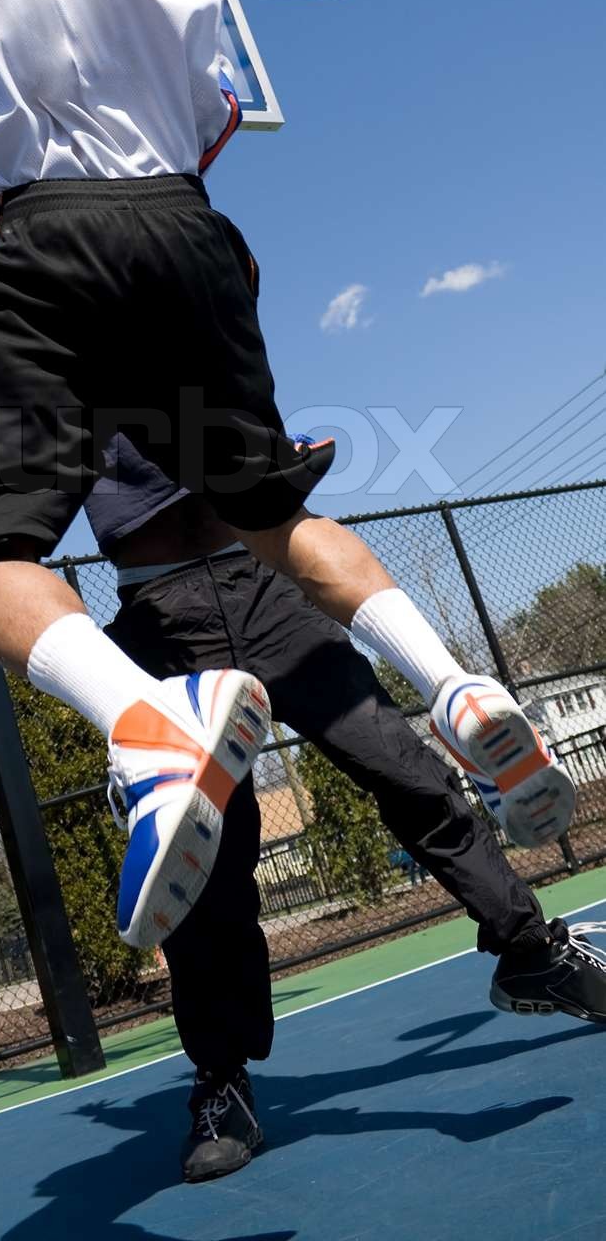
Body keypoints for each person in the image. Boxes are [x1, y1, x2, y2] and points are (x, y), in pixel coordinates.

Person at [0, 0, 573, 950]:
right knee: (267, 510)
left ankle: (144, 728)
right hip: (184, 226)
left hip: (44, 233)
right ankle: (454, 681)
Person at [86, 434, 606, 1182]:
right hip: (159, 618)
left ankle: (529, 952)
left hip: (264, 587)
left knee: (407, 769)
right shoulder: (51, 373)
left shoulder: (191, 340)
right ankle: (221, 1078)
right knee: (205, 858)